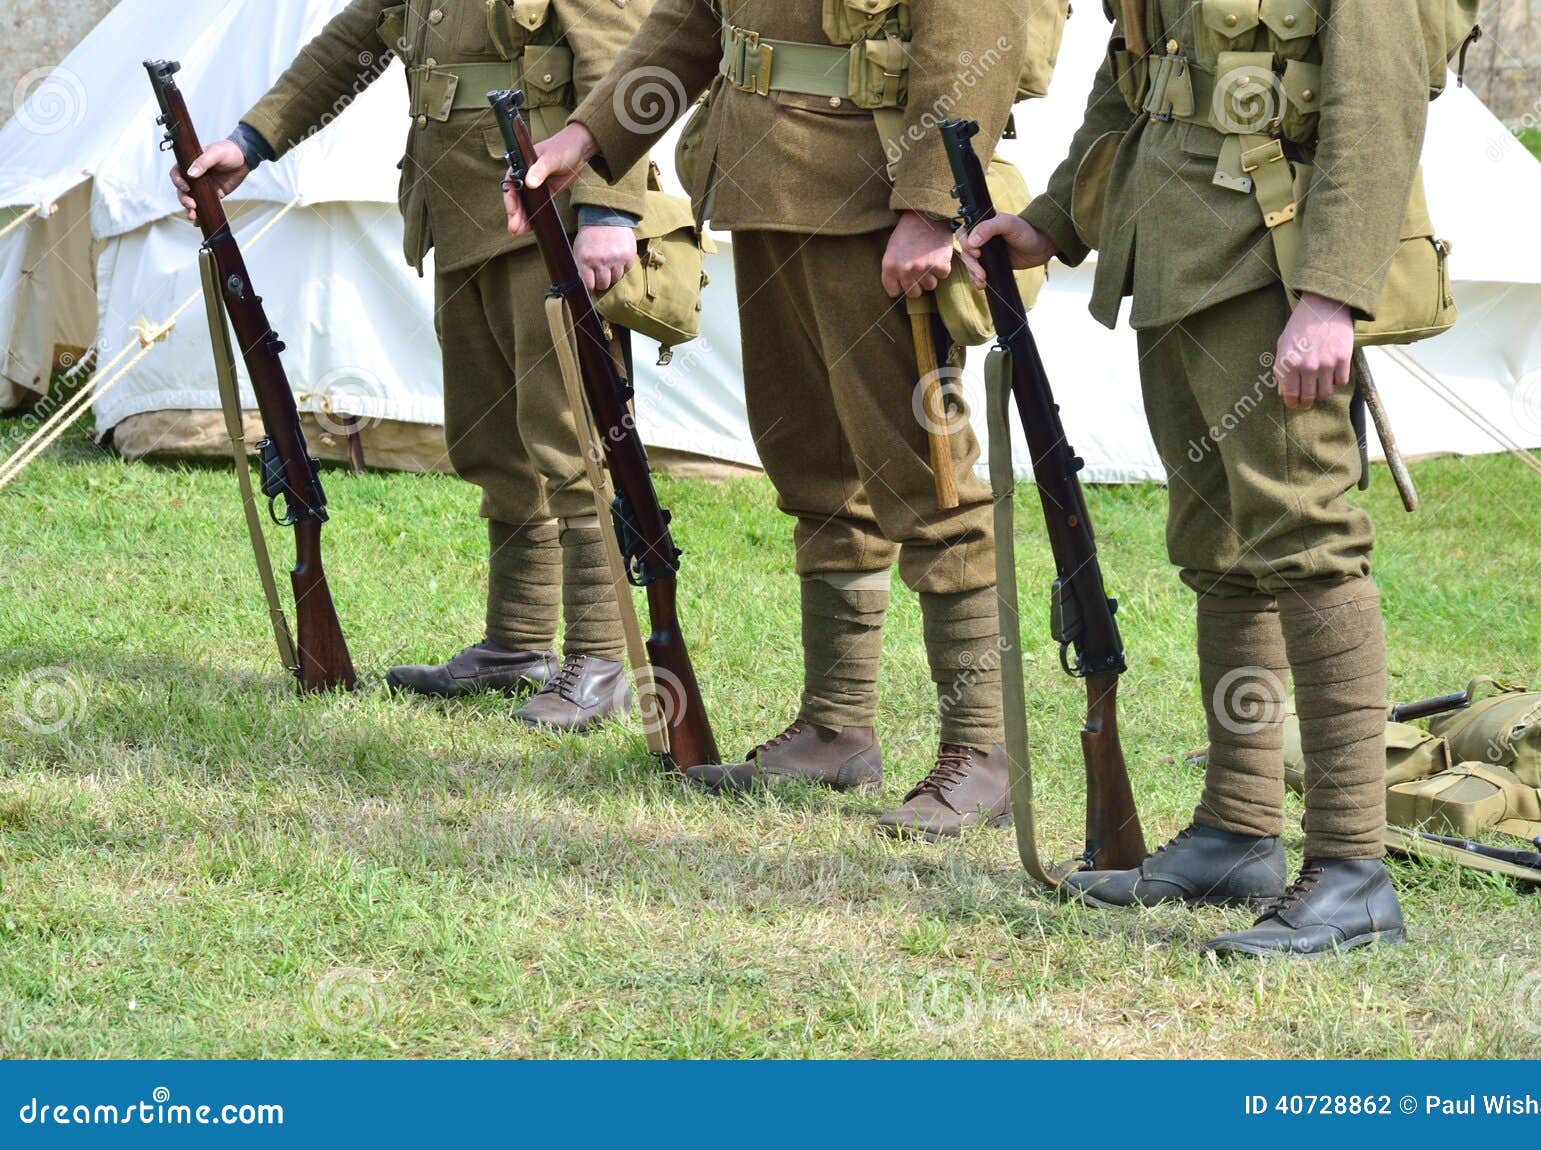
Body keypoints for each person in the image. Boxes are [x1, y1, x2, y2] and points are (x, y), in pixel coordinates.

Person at [961, 0, 1428, 954]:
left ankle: (1352, 871)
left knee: (1305, 538)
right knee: (1221, 549)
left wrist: (1334, 293)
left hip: (1276, 255)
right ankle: (1237, 828)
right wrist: (1055, 220)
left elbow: (1379, 107)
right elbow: (1135, 76)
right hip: (1174, 251)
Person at [509, 1, 1028, 838]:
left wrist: (934, 205)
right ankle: (835, 726)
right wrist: (590, 138)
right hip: (763, 183)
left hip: (881, 199)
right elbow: (690, 22)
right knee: (810, 467)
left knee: (928, 481)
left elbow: (977, 32)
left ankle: (982, 751)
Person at [171, 0, 650, 732]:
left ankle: (601, 659)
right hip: (457, 211)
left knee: (572, 441)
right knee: (489, 442)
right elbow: (353, 43)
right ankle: (517, 644)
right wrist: (252, 141)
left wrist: (611, 211)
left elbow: (626, 63)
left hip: (549, 215)